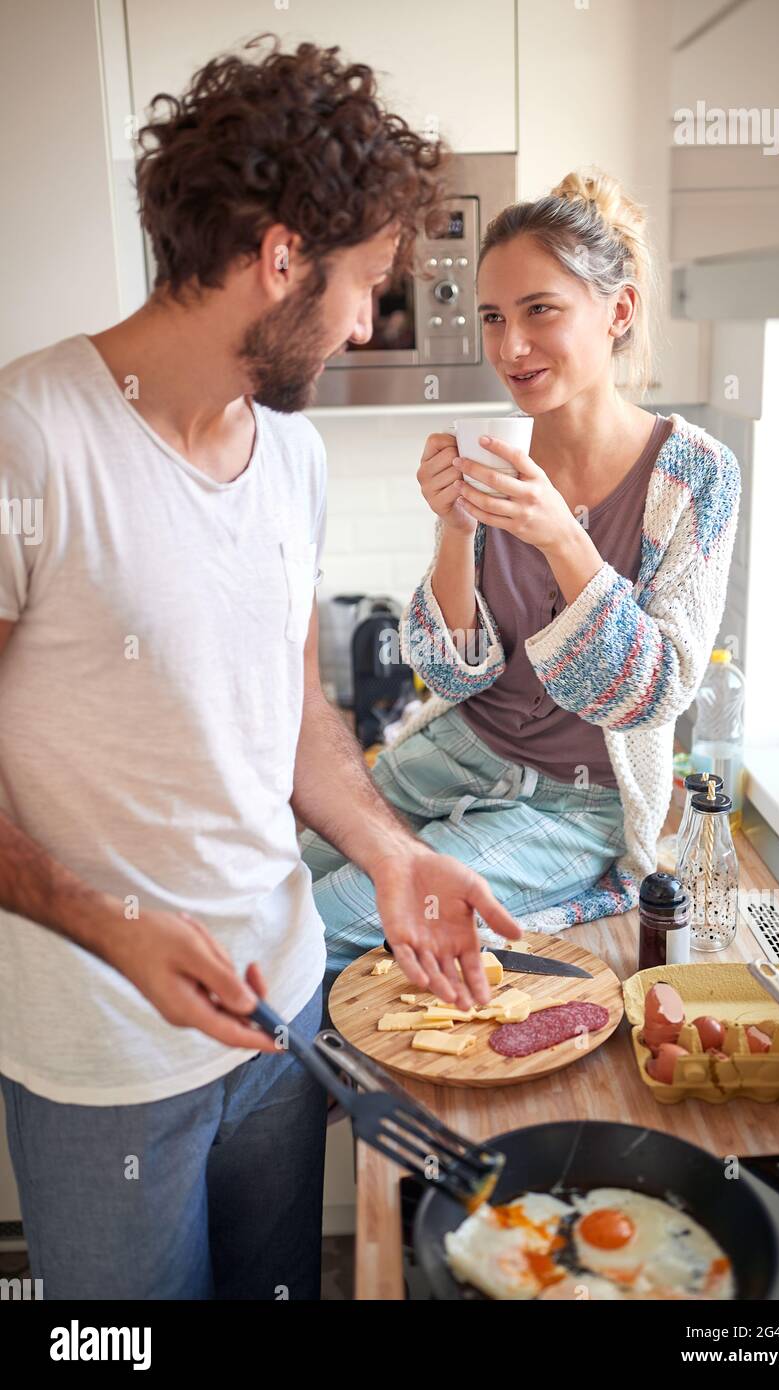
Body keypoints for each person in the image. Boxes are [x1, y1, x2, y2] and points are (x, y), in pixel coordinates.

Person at [0, 37, 520, 1301]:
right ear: (280, 256)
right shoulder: (30, 439)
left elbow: (289, 714)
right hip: (106, 1058)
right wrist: (110, 928)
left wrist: (390, 854)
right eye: (365, 284)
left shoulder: (293, 457)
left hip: (282, 1023)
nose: (363, 322)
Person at [302, 168, 741, 996]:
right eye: (494, 317)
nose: (510, 348)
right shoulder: (498, 449)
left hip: (573, 808)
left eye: (541, 311)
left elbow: (653, 693)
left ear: (618, 311)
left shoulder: (695, 476)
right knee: (276, 884)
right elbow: (448, 675)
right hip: (452, 755)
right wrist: (455, 528)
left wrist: (561, 536)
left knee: (312, 925)